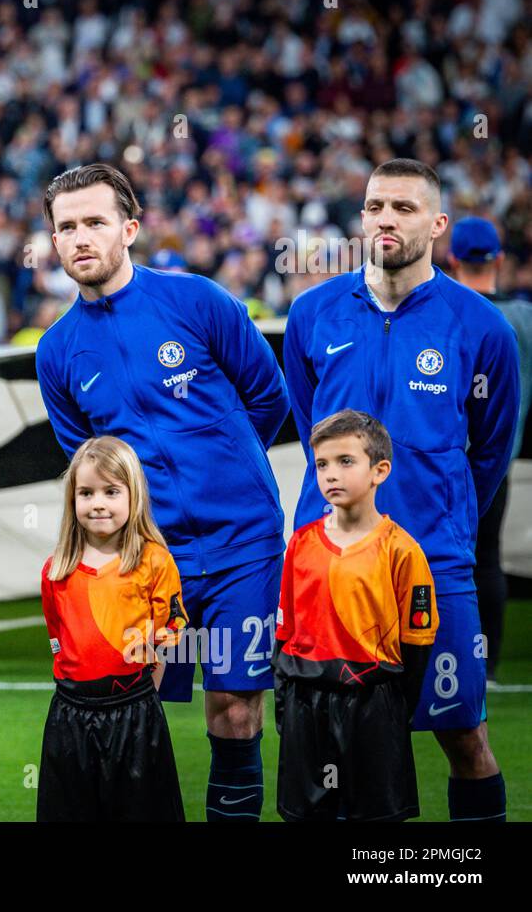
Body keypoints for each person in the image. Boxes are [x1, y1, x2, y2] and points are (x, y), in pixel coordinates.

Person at [35, 163, 290, 822]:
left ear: (130, 227)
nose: (80, 236)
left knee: (235, 706)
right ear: (53, 241)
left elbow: (268, 397)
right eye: (66, 226)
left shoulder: (198, 301)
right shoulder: (57, 351)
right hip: (151, 559)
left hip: (242, 546)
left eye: (94, 221)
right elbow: (89, 463)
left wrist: (224, 476)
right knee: (132, 705)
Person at [284, 158, 518, 822]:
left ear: (438, 223)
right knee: (328, 737)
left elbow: (492, 446)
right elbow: (313, 431)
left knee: (464, 733)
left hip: (432, 563)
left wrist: (439, 512)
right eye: (376, 206)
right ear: (361, 216)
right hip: (327, 566)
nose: (387, 218)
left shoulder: (481, 327)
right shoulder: (312, 314)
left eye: (405, 208)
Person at [273, 410, 436, 821]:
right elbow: (285, 630)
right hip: (305, 703)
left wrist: (394, 712)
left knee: (375, 814)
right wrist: (284, 703)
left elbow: (417, 646)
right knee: (307, 813)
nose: (331, 474)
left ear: (380, 470)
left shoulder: (402, 550)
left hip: (372, 704)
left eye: (346, 462)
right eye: (322, 464)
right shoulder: (300, 544)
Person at [37, 436, 186, 822]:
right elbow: (59, 640)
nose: (98, 503)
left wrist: (138, 701)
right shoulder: (56, 571)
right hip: (70, 718)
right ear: (72, 500)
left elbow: (166, 637)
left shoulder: (154, 561)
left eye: (111, 491)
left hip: (135, 716)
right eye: (86, 492)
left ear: (133, 495)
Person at [447, 216, 532, 680]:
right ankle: (488, 665)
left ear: (452, 259)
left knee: (430, 555)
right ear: (499, 259)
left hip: (442, 458)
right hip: (500, 458)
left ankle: (427, 658)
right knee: (488, 559)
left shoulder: (447, 312)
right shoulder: (524, 317)